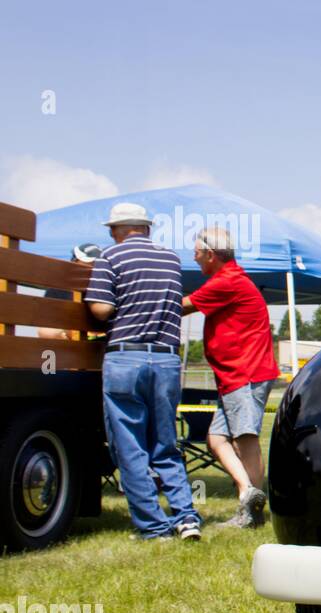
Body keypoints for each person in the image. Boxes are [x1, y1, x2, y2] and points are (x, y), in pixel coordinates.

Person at [84, 203, 201, 541]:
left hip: (126, 358)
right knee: (165, 443)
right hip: (165, 360)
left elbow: (102, 309)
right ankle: (186, 517)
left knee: (130, 446)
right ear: (146, 228)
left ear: (116, 230)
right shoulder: (171, 259)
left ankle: (154, 527)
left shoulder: (111, 258)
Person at [182, 226, 278, 528]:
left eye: (197, 252)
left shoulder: (227, 281)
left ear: (211, 254)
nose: (194, 257)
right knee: (216, 438)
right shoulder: (232, 278)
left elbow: (182, 306)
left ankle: (251, 509)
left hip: (244, 374)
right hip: (235, 376)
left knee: (244, 438)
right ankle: (248, 497)